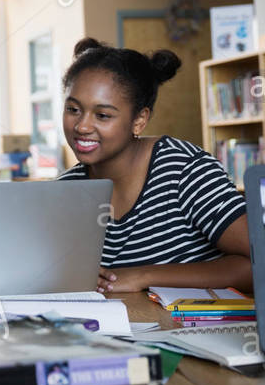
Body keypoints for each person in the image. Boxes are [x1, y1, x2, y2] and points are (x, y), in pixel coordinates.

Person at [56, 38, 253, 294]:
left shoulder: (185, 170)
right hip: (113, 330)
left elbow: (262, 263)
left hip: (193, 330)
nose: (81, 126)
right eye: (73, 109)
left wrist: (145, 275)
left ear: (139, 120)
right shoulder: (65, 191)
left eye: (102, 115)